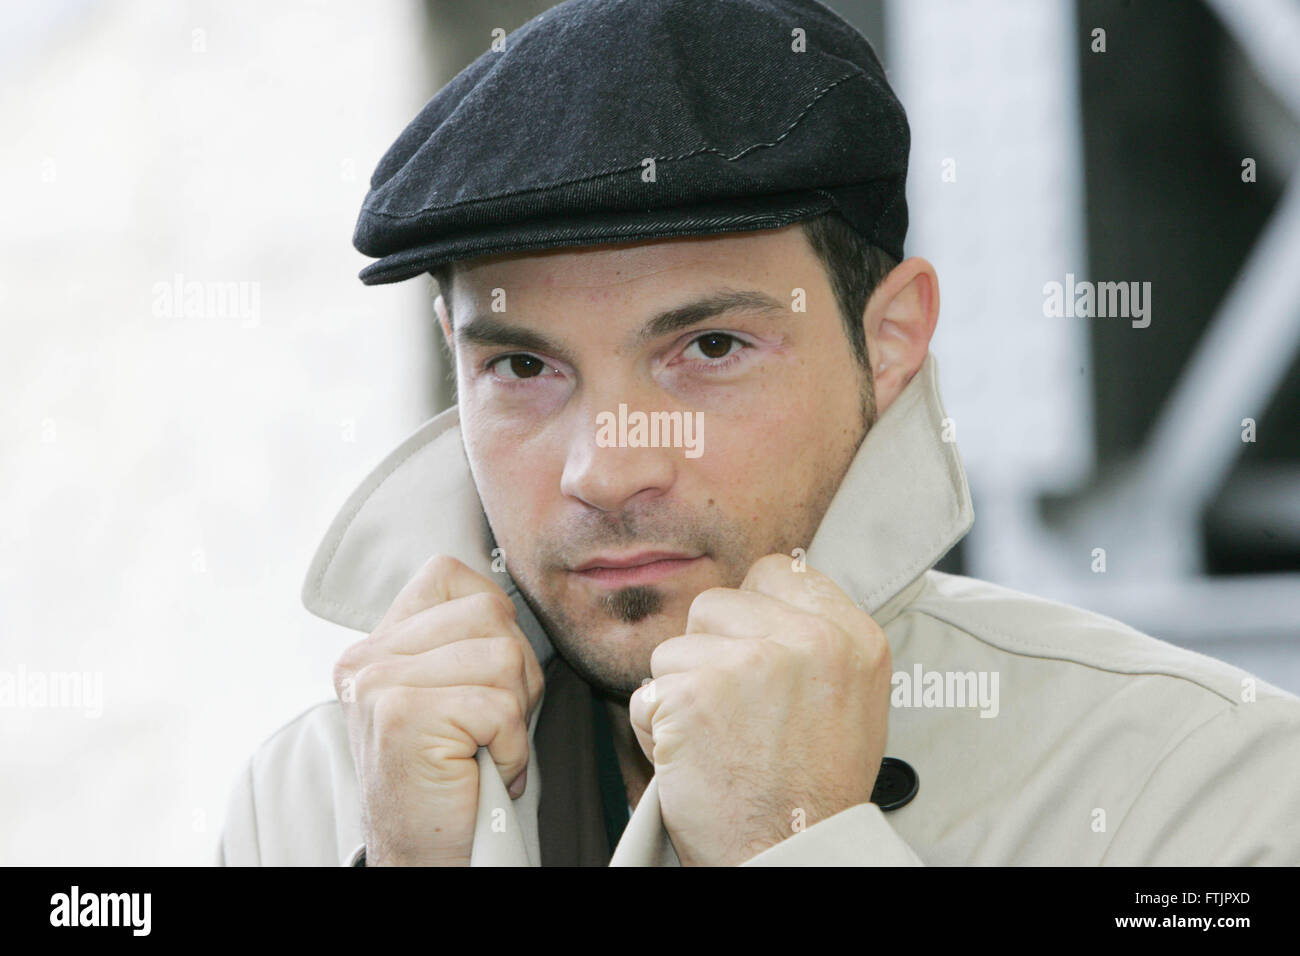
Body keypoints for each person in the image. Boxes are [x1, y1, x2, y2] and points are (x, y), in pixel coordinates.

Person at [216, 0, 1300, 866]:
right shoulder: (319, 796)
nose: (606, 466)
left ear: (890, 341)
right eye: (522, 366)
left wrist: (801, 847)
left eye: (711, 348)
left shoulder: (1205, 780)